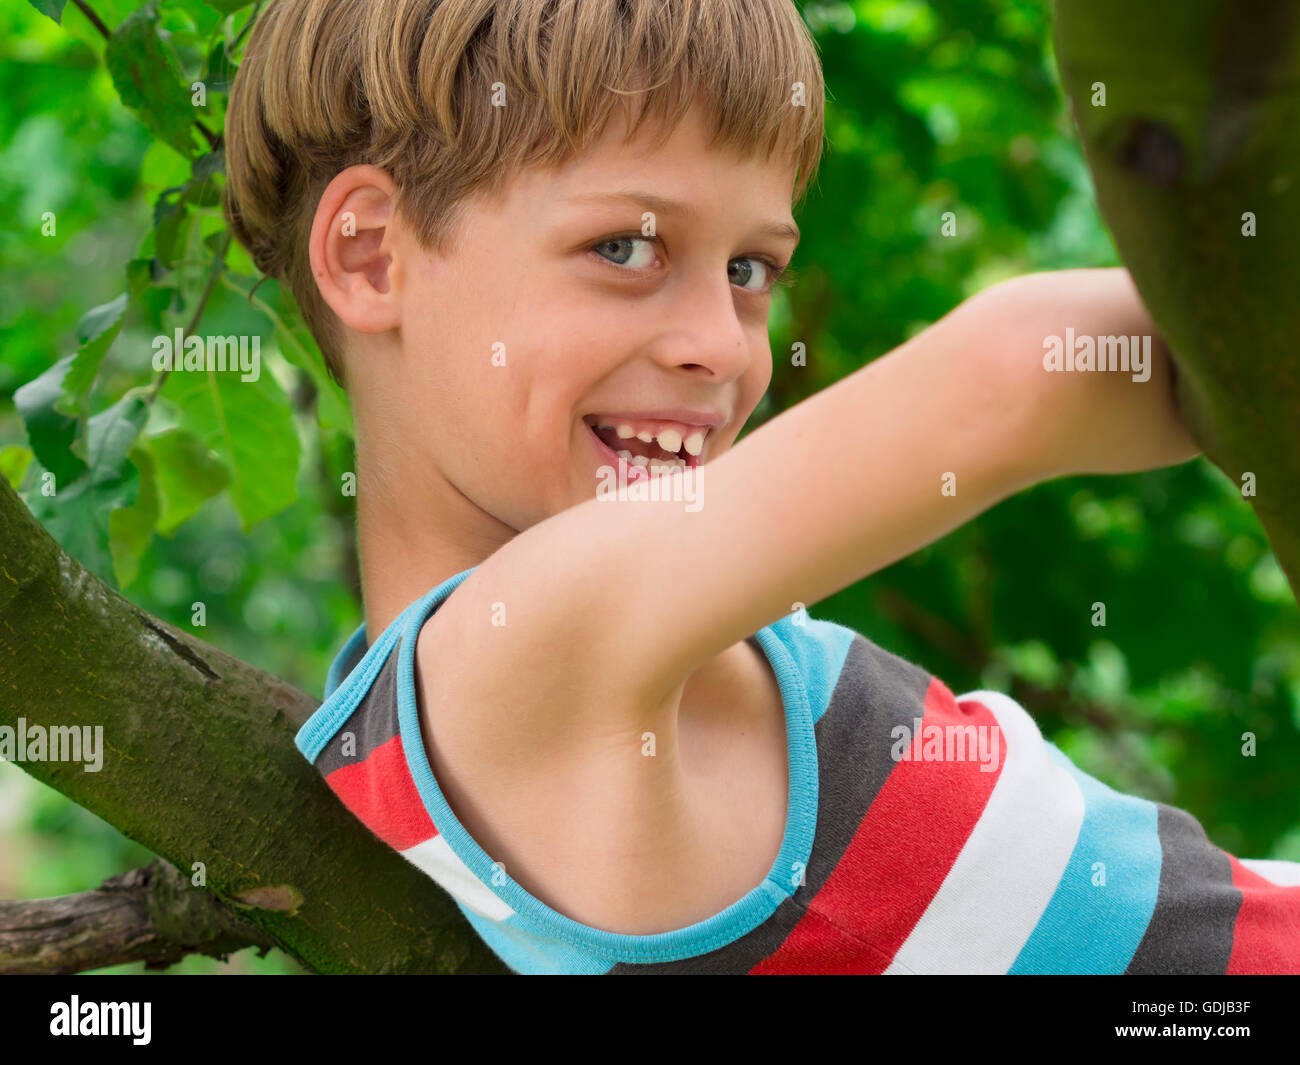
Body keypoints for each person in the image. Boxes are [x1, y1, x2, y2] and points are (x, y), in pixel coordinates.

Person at [224, 0, 1300, 973]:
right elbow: (1021, 380)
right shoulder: (503, 665)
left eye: (749, 271)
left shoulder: (474, 702)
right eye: (624, 248)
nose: (722, 346)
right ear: (370, 255)